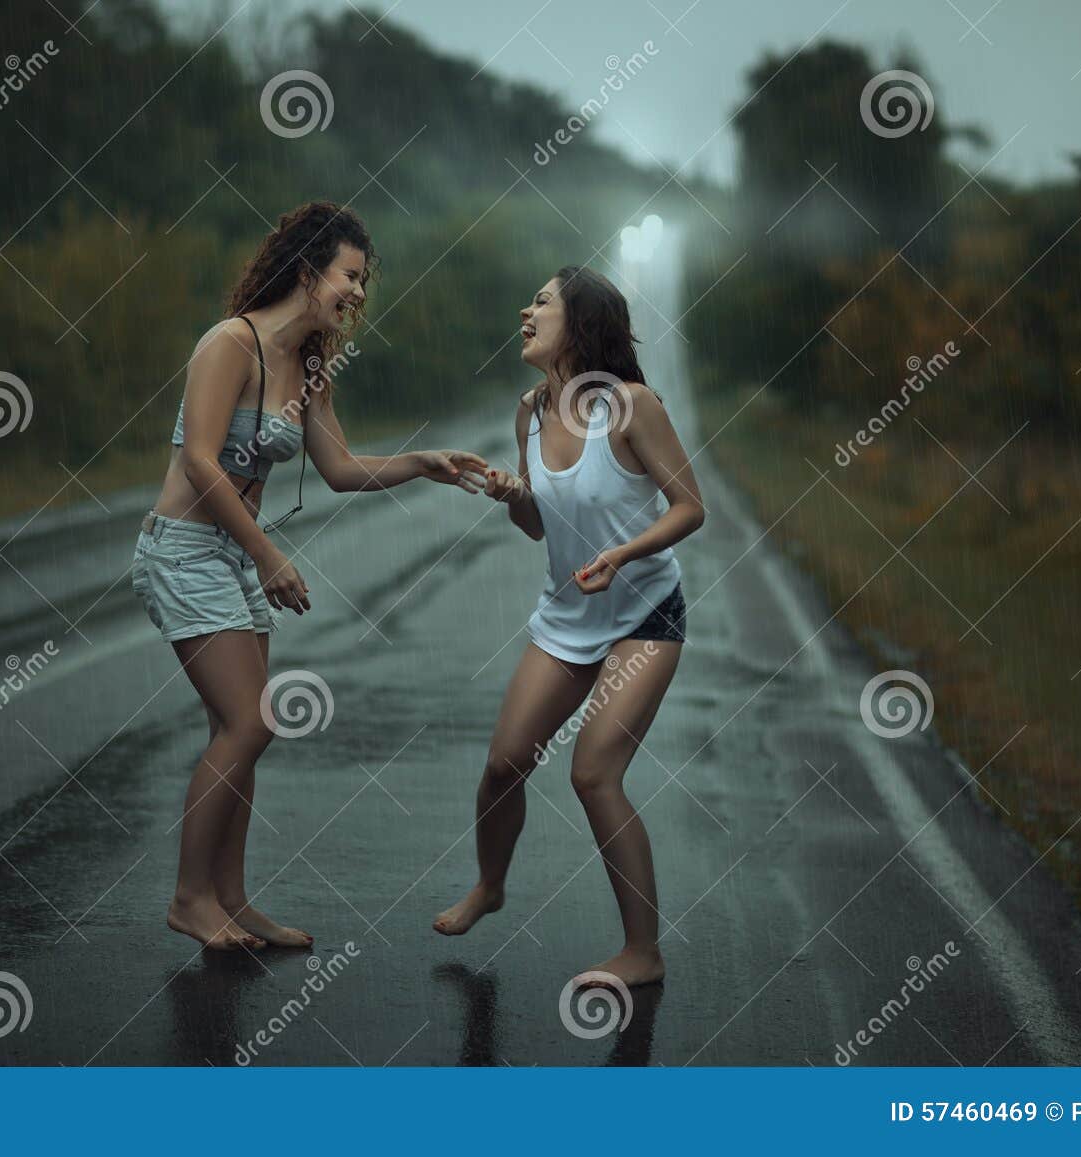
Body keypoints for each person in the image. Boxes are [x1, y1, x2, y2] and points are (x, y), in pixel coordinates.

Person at [134, 201, 488, 952]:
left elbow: (339, 468)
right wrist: (268, 555)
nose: (359, 293)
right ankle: (190, 898)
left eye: (364, 281)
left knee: (242, 730)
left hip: (232, 554)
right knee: (250, 723)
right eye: (350, 275)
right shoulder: (231, 343)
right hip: (184, 550)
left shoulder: (311, 363)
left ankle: (231, 899)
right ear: (308, 268)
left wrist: (425, 464)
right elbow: (201, 461)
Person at [433, 266, 704, 989]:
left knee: (593, 771)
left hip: (644, 614)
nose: (526, 309)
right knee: (502, 765)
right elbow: (535, 526)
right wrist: (512, 495)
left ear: (580, 322)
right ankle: (490, 886)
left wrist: (623, 552)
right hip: (568, 613)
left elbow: (689, 507)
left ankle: (642, 950)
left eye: (543, 301)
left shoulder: (630, 405)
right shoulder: (528, 411)